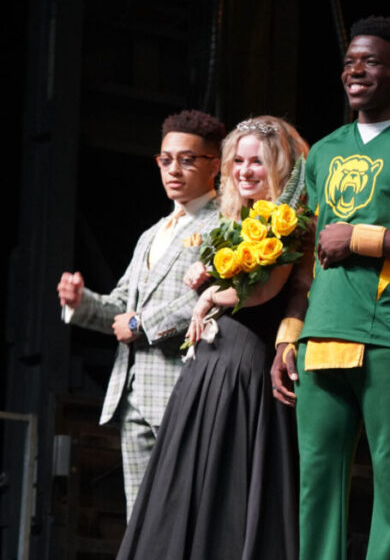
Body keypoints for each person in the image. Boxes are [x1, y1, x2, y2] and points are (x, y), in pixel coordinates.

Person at [273, 16, 390, 560]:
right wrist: (291, 332)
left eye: (372, 61)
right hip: (322, 332)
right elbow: (309, 255)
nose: (355, 70)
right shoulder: (324, 151)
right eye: (350, 61)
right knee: (316, 483)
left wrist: (360, 237)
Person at [117, 115, 310, 560]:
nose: (244, 171)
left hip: (243, 367)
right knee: (183, 489)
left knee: (227, 492)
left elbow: (268, 287)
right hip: (208, 367)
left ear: (280, 166)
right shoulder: (236, 222)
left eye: (257, 162)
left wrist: (210, 295)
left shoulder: (291, 222)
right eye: (237, 161)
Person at [56, 110, 225, 515]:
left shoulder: (225, 223)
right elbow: (121, 308)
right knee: (141, 522)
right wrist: (82, 304)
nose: (174, 169)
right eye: (165, 160)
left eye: (187, 160)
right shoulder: (153, 233)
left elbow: (213, 298)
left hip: (182, 391)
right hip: (133, 396)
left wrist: (142, 324)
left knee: (183, 515)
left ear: (214, 165)